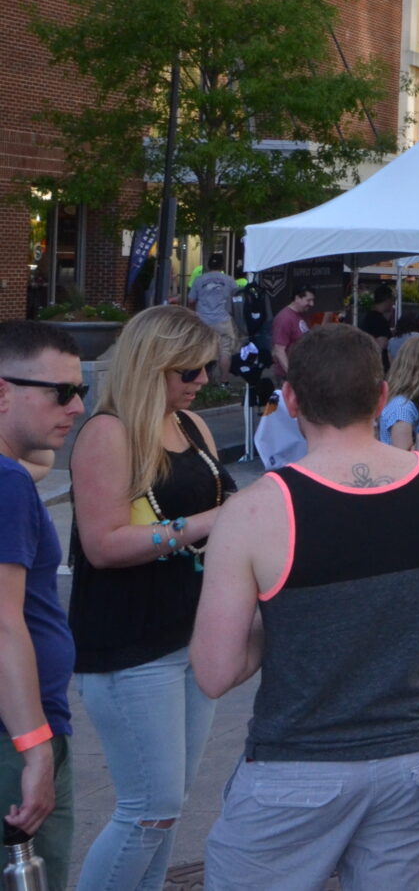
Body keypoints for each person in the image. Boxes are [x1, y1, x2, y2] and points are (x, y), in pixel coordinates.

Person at [193, 324, 419, 891]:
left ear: (293, 399)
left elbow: (214, 671)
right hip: (416, 756)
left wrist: (290, 617)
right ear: (380, 398)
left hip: (295, 768)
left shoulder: (256, 511)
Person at [65, 307, 238, 891]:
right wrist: (203, 522)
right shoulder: (108, 433)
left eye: (206, 368)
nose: (202, 382)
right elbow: (103, 544)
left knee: (166, 809)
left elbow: (229, 506)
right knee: (149, 807)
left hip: (189, 634)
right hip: (127, 643)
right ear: (153, 365)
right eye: (189, 371)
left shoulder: (191, 426)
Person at [0, 321, 85, 891]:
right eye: (61, 392)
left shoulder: (13, 476)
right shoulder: (6, 484)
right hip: (17, 735)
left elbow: (39, 467)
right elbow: (4, 624)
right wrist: (35, 749)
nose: (76, 407)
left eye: (81, 392)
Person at [270, 282, 315, 383]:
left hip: (302, 373)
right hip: (288, 377)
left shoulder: (304, 315)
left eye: (313, 300)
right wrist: (290, 375)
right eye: (308, 300)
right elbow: (279, 350)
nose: (312, 304)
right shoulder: (284, 318)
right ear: (297, 298)